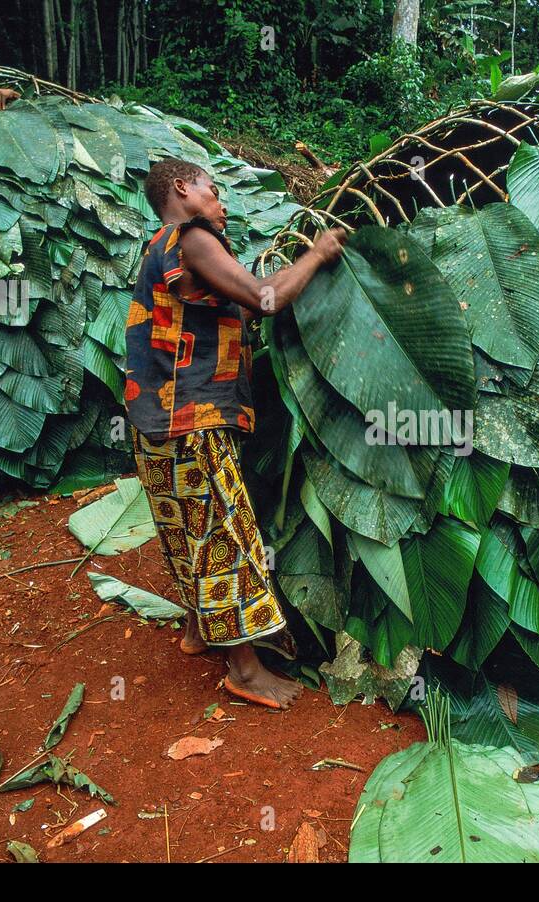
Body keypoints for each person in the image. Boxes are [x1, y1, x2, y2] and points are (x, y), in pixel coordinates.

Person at [124, 157, 345, 709]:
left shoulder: (161, 246)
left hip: (154, 419)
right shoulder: (193, 238)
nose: (221, 203)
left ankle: (200, 629)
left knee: (186, 527)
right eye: (212, 189)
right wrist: (317, 254)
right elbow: (265, 299)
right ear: (182, 190)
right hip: (190, 418)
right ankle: (243, 670)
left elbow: (233, 304)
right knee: (224, 531)